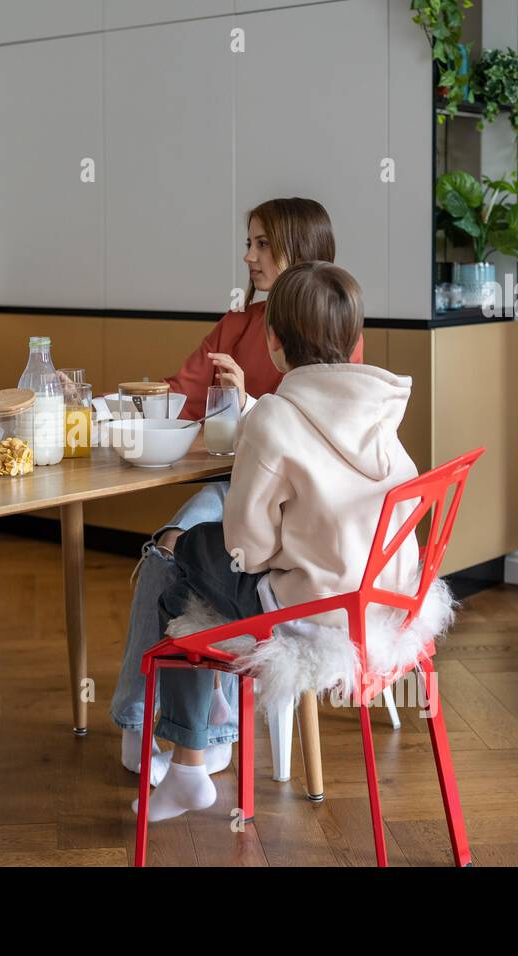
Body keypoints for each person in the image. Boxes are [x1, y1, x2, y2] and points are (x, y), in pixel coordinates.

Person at [134, 261, 422, 820]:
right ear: (355, 341)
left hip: (309, 612)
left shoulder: (274, 418)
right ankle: (207, 737)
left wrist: (196, 543)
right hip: (384, 601)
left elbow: (249, 549)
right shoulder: (381, 412)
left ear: (271, 342)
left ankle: (191, 763)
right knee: (196, 546)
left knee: (181, 566)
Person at [110, 198, 359, 783]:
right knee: (164, 554)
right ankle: (143, 718)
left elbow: (314, 440)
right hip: (237, 486)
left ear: (298, 249)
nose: (249, 257)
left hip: (293, 509)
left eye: (262, 244)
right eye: (248, 243)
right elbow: (181, 392)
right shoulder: (239, 323)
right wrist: (120, 409)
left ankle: (203, 731)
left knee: (194, 557)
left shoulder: (331, 330)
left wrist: (249, 403)